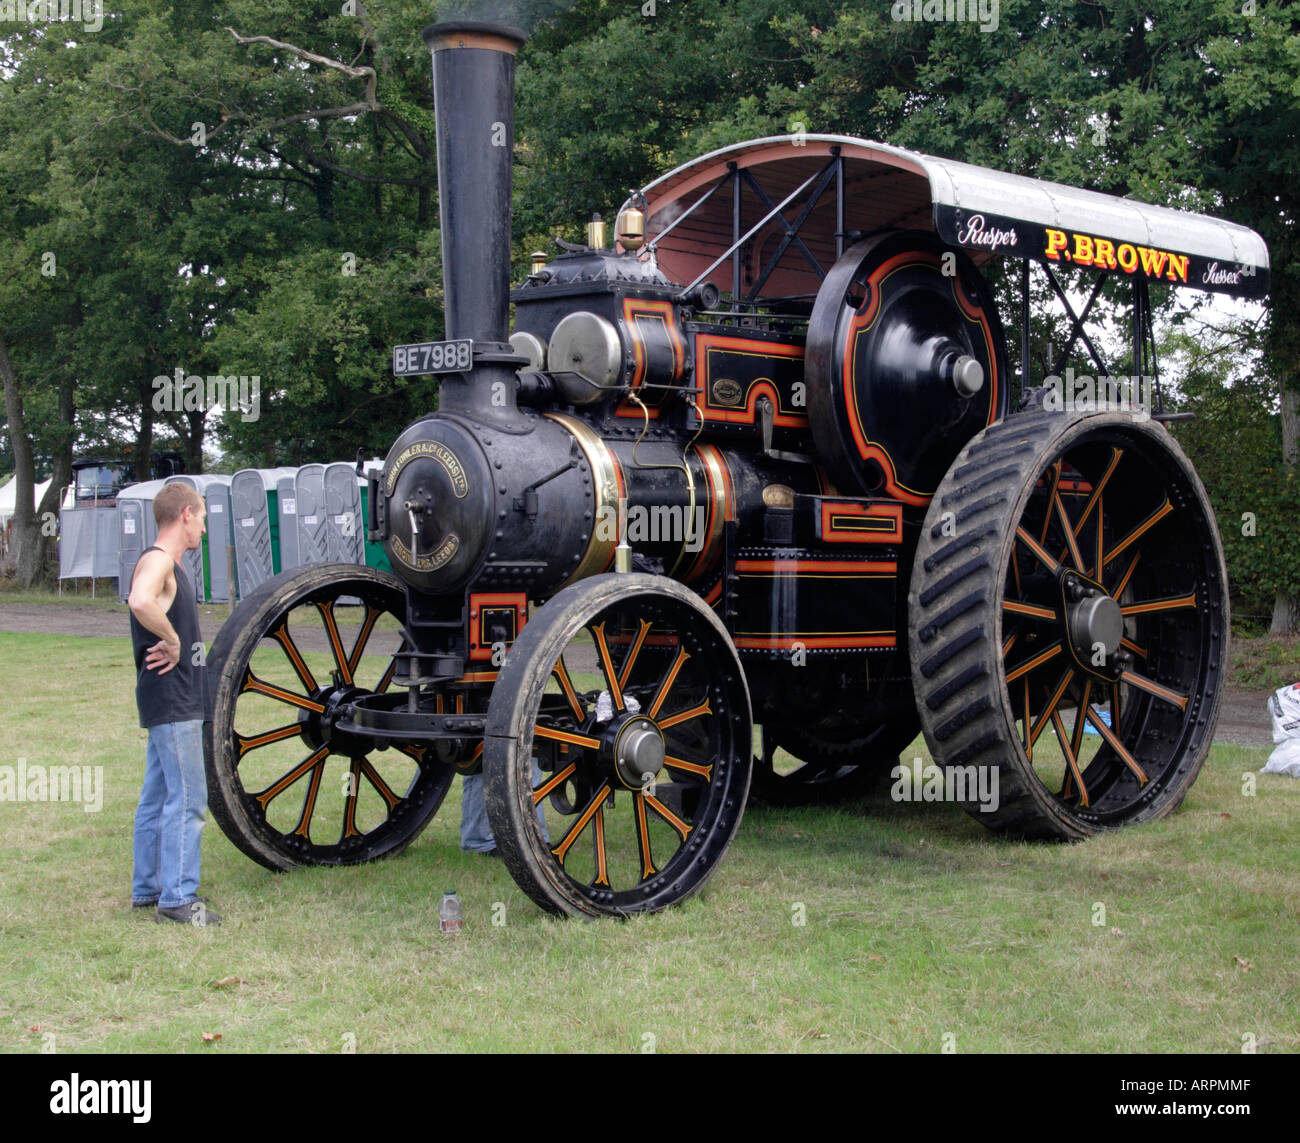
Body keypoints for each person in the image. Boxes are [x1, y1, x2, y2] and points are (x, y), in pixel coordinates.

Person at [127, 483, 221, 926]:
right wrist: (172, 638)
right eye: (201, 516)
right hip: (174, 700)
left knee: (157, 795)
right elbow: (141, 599)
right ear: (186, 514)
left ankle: (147, 889)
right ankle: (178, 897)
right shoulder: (160, 560)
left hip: (166, 699)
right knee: (187, 798)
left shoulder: (167, 563)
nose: (203, 525)